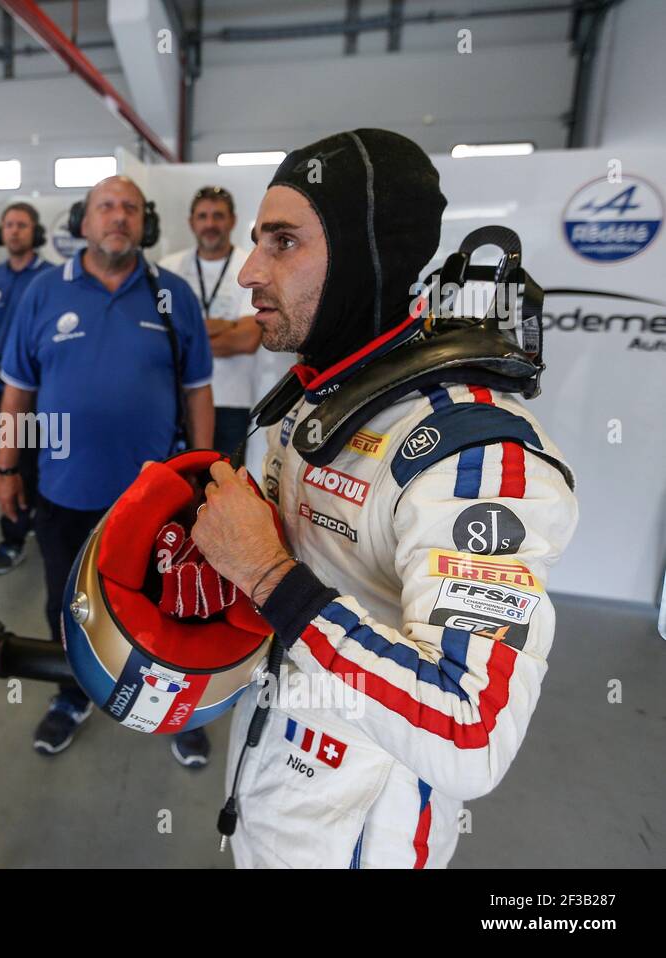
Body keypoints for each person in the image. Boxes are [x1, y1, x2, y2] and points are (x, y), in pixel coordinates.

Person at [188, 129, 578, 868]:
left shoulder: (479, 456)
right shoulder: (307, 405)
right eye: (254, 241)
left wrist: (269, 575)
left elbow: (473, 735)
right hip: (267, 793)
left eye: (282, 243)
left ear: (366, 254)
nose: (248, 271)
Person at [0, 175, 216, 766]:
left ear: (145, 223)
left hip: (156, 496)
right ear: (82, 221)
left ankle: (172, 703)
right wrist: (7, 468)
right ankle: (73, 693)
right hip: (64, 491)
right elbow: (16, 391)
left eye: (131, 208)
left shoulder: (174, 295)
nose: (119, 216)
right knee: (67, 602)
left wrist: (201, 473)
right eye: (106, 206)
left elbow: (197, 391)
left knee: (167, 603)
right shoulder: (41, 293)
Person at [0, 202, 53, 575]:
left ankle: (23, 530)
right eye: (9, 225)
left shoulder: (51, 277)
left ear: (34, 232)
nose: (15, 231)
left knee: (36, 461)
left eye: (22, 225)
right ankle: (15, 533)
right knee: (4, 459)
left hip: (40, 390)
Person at [159, 187, 262, 465]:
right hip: (176, 398)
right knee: (174, 484)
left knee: (221, 482)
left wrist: (186, 334)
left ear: (232, 221)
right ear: (191, 222)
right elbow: (159, 338)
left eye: (218, 216)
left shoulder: (250, 266)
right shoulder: (168, 269)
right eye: (203, 216)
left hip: (231, 402)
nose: (210, 224)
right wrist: (227, 325)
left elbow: (247, 340)